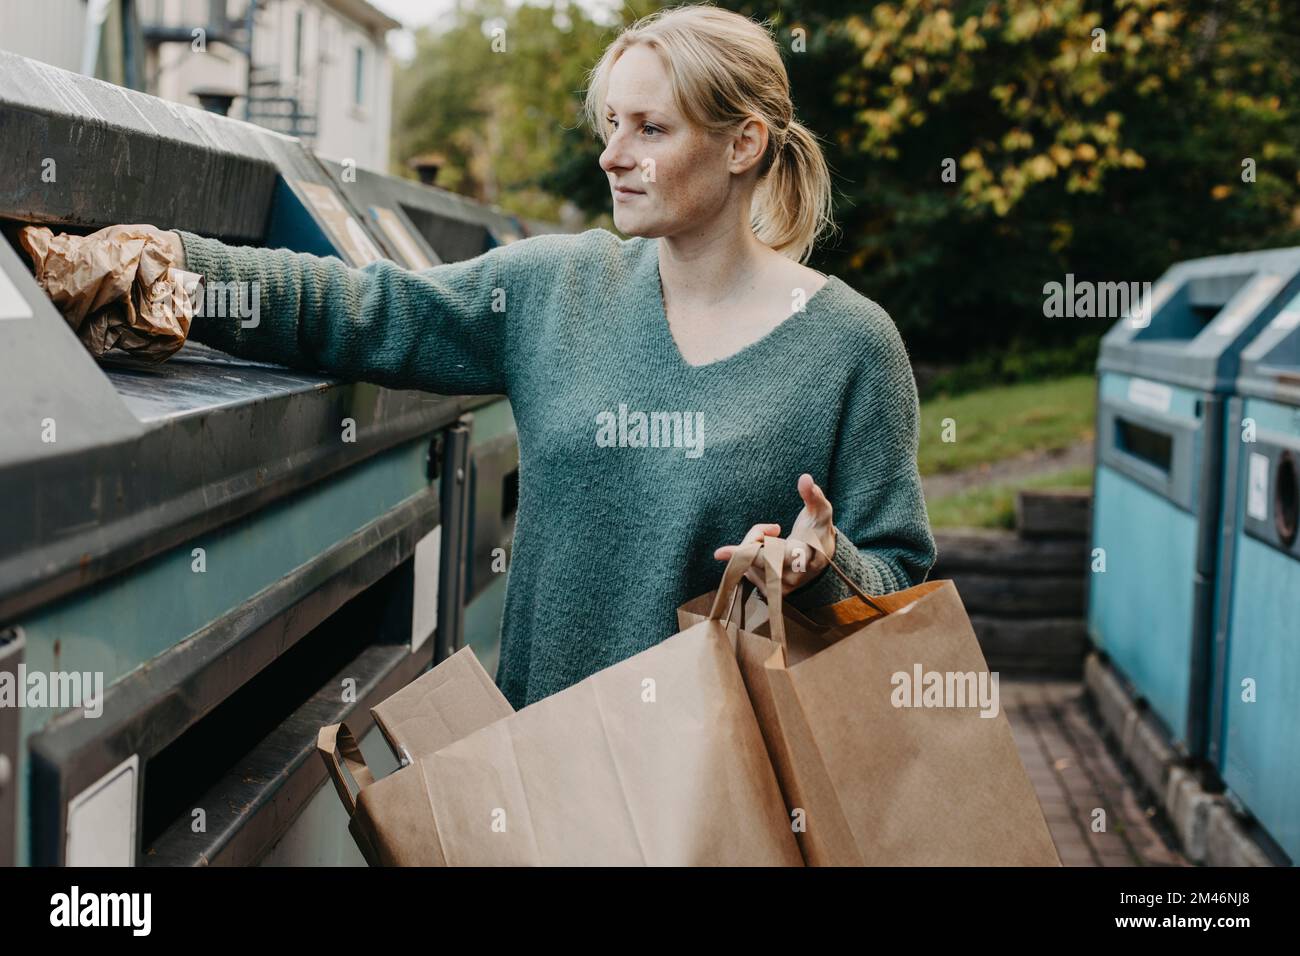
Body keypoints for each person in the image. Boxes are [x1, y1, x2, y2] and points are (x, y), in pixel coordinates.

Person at [109, 5, 937, 711]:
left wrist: (821, 568)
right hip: (546, 784)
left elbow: (897, 592)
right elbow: (366, 309)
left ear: (743, 144)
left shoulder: (850, 346)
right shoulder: (557, 288)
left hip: (728, 811)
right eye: (612, 123)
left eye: (651, 128)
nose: (614, 154)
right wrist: (161, 269)